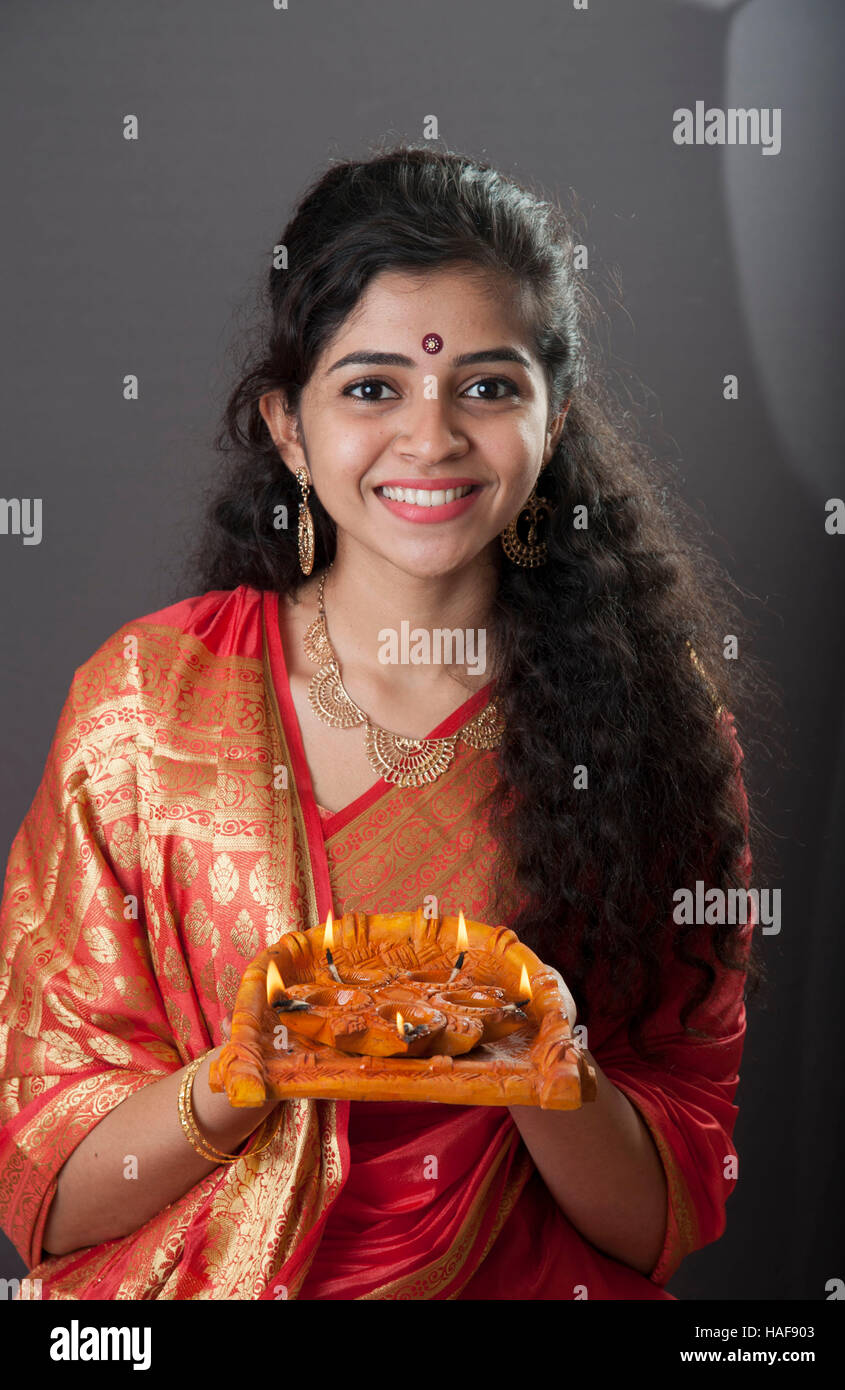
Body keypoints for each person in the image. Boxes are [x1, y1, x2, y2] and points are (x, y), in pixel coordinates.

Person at [0, 145, 765, 1300]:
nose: (431, 438)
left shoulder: (655, 736)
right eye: (371, 387)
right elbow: (46, 1186)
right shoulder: (144, 711)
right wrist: (247, 1072)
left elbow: (659, 1216)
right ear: (289, 429)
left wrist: (534, 1058)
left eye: (488, 386)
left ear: (552, 422)